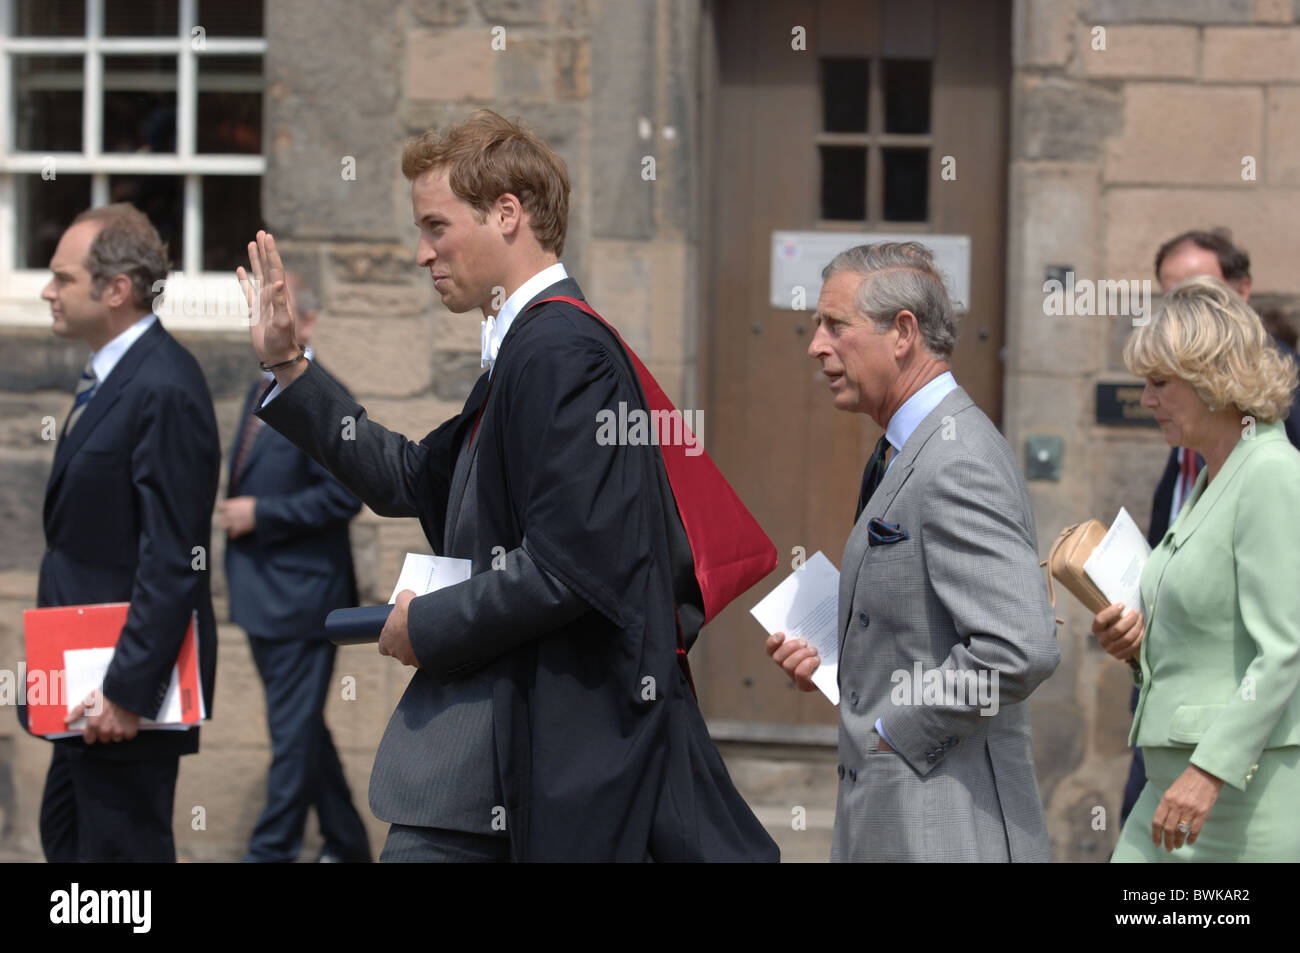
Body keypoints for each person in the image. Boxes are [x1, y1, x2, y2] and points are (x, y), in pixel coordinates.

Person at [236, 110, 777, 862]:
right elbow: (406, 478)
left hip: (543, 751)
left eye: (435, 226)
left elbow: (567, 567)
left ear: (508, 214)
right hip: (491, 753)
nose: (421, 253)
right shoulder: (528, 349)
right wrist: (291, 366)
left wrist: (422, 626)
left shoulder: (562, 352)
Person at [767, 242, 1060, 861]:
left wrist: (894, 733)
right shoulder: (906, 446)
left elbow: (1018, 649)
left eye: (835, 325)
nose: (816, 345)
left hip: (946, 826)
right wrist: (836, 660)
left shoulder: (957, 459)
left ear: (903, 332)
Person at [32, 203, 220, 862]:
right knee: (69, 848)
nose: (47, 291)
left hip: (118, 699)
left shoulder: (163, 386)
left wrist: (124, 689)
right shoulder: (113, 375)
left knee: (120, 880)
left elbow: (173, 559)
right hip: (81, 690)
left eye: (62, 277)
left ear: (116, 290)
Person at [1095, 277, 1300, 862]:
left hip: (1235, 798)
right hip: (1171, 790)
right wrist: (1134, 643)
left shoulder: (1271, 473)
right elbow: (1208, 636)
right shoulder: (1214, 474)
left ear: (1215, 380)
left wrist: (1209, 772)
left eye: (1160, 383)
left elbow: (1285, 650)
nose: (1147, 398)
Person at [219, 274, 371, 864]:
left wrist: (261, 513)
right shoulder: (258, 389)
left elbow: (341, 499)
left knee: (291, 740)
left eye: (277, 313)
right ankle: (348, 845)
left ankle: (269, 853)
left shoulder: (324, 399)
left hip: (302, 601)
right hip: (262, 597)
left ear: (306, 324)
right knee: (305, 733)